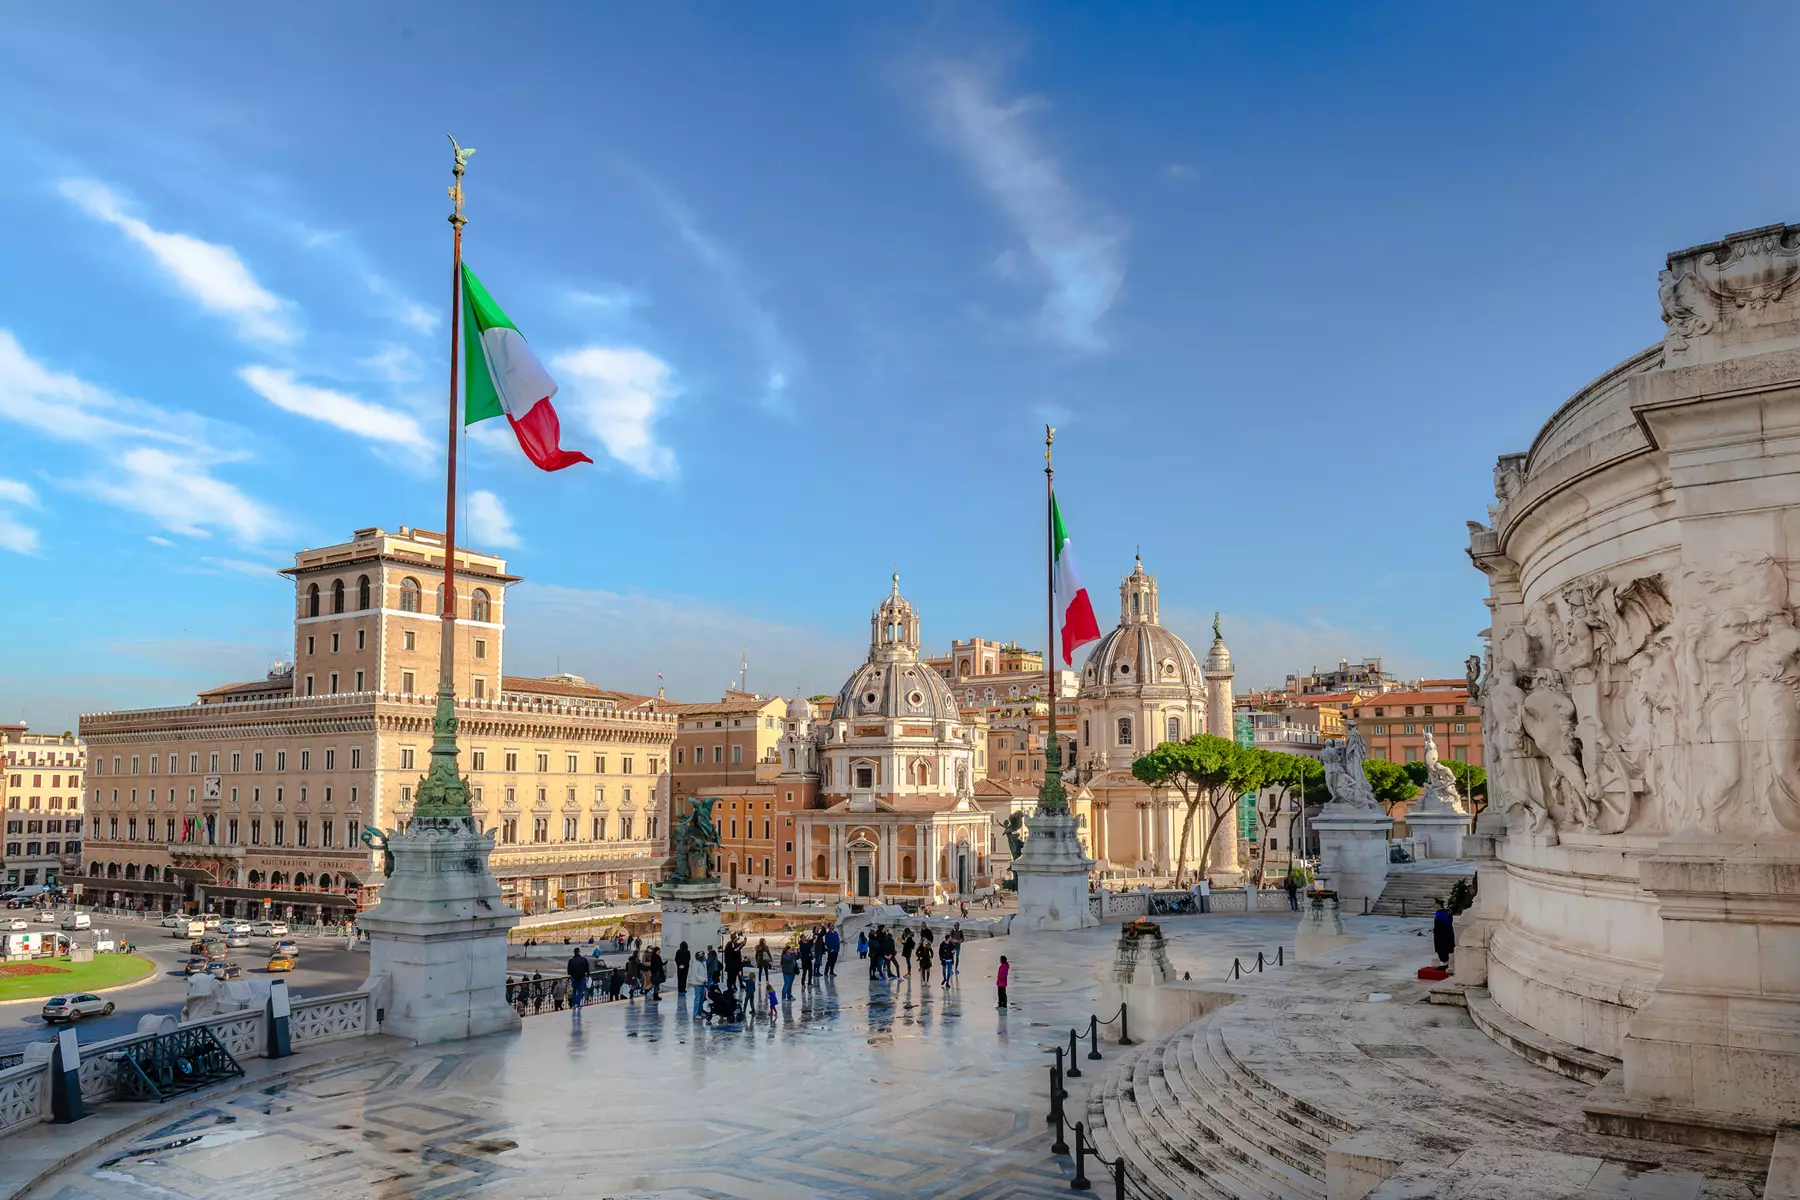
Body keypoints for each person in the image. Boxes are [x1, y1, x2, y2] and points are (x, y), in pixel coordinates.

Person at [1433, 899, 1456, 967]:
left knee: (1442, 949)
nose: (1435, 905)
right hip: (1439, 935)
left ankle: (1444, 963)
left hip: (1442, 936)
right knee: (1441, 949)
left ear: (1438, 905)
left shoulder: (1441, 914)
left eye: (1436, 904)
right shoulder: (1441, 913)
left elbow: (1444, 925)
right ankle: (1443, 963)